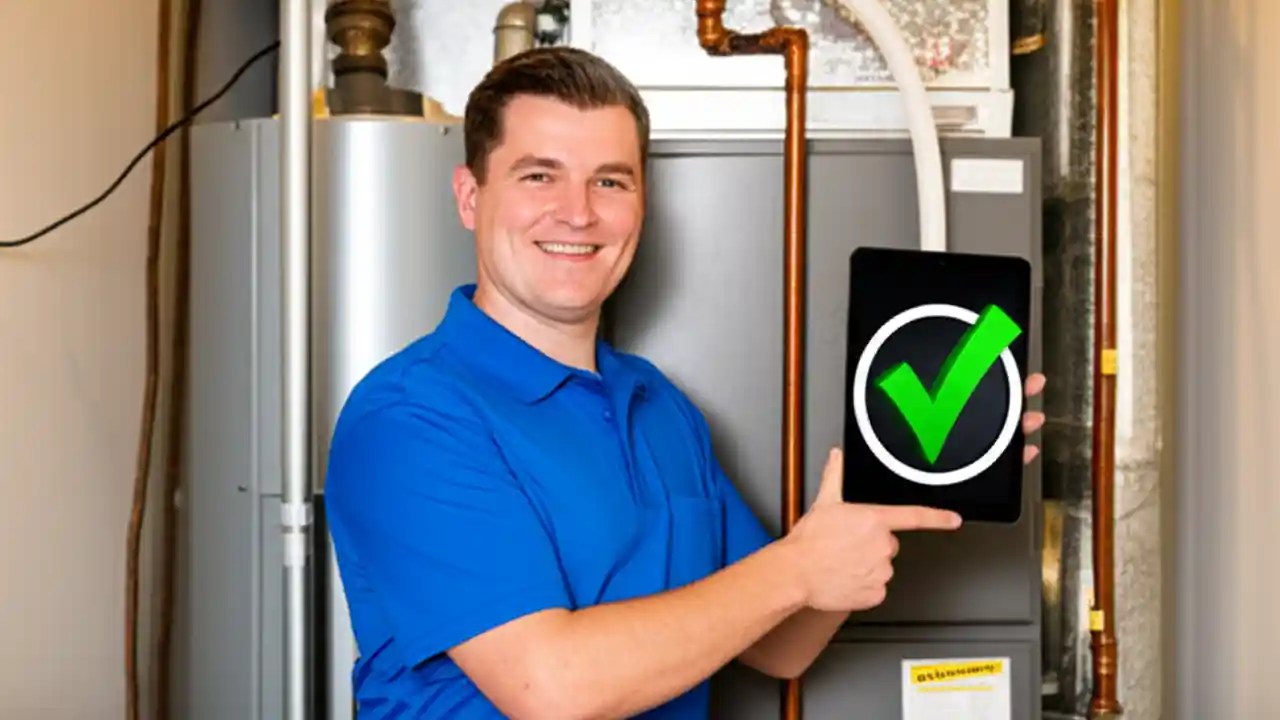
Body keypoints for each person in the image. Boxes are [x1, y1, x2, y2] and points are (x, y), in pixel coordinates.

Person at [323, 46, 1047, 720]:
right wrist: (798, 566)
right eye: (539, 174)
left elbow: (778, 644)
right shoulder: (411, 417)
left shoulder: (660, 407)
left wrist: (891, 487)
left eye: (610, 180)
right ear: (470, 197)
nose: (578, 212)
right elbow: (551, 687)